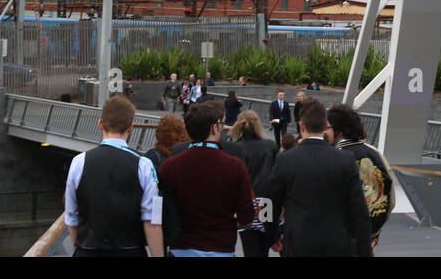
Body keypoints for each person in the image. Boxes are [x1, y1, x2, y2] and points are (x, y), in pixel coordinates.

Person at [267, 98, 371, 257]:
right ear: (324, 126)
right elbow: (360, 212)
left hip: (298, 244)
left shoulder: (285, 160)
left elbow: (270, 203)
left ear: (301, 126)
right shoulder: (346, 160)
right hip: (336, 245)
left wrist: (272, 235)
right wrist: (365, 251)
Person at [63, 95, 164, 257]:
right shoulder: (144, 165)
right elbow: (152, 221)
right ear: (130, 127)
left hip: (88, 250)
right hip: (131, 250)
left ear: (100, 125)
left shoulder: (78, 162)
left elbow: (71, 217)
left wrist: (79, 249)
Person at [158, 101, 257, 257]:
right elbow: (247, 216)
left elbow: (161, 213)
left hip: (182, 247)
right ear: (214, 128)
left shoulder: (169, 166)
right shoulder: (235, 166)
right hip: (221, 247)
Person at [326, 104, 395, 247]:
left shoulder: (333, 156)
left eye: (327, 128)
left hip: (341, 239)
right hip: (370, 235)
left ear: (339, 130)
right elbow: (390, 199)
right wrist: (375, 233)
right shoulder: (375, 153)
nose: (324, 132)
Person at [222, 110, 279, 257]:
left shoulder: (236, 148)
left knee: (249, 247)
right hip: (266, 201)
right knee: (263, 248)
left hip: (246, 201)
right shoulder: (270, 146)